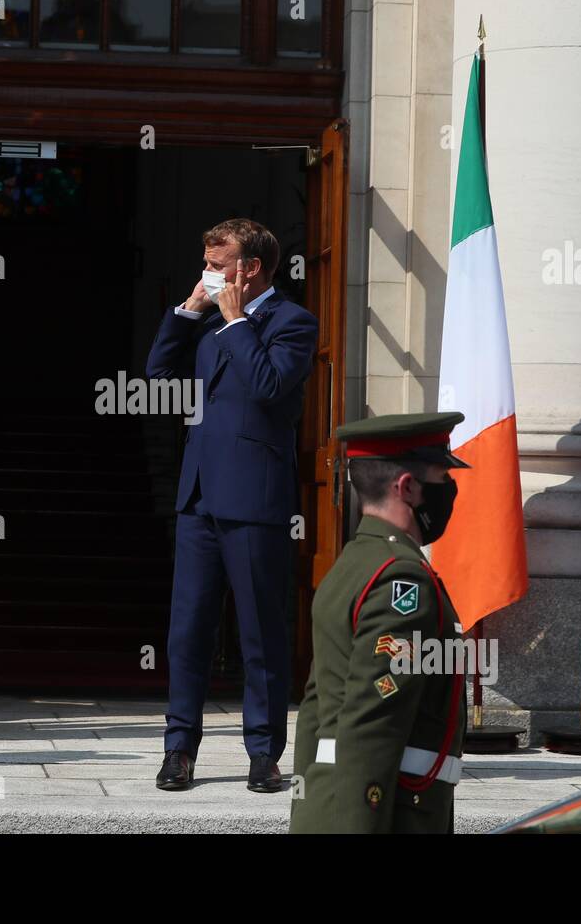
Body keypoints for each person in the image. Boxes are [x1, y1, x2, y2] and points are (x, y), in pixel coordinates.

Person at [146, 218, 318, 792]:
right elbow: (158, 377)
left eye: (217, 264)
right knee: (187, 629)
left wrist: (236, 320)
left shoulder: (291, 322)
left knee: (260, 632)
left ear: (250, 269)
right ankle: (179, 749)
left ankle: (264, 753)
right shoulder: (208, 325)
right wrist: (190, 311)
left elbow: (270, 388)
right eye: (206, 261)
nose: (209, 272)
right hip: (198, 498)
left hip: (254, 499)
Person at [289, 412, 470, 833]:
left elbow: (317, 711)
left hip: (332, 808)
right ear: (408, 487)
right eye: (442, 478)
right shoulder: (401, 578)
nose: (450, 491)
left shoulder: (351, 565)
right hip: (387, 817)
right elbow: (373, 723)